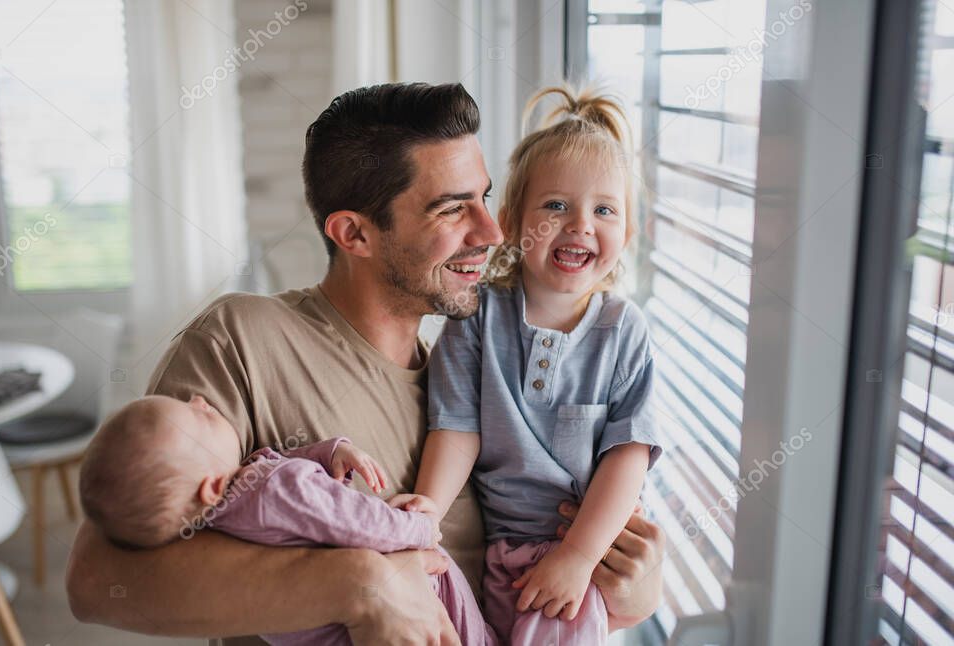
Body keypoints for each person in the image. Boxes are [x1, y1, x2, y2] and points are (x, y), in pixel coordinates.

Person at [66, 82, 666, 646]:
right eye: (453, 209)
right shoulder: (244, 340)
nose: (492, 231)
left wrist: (632, 590)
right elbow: (98, 581)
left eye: (485, 199)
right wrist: (358, 587)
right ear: (354, 233)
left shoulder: (476, 379)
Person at [394, 86, 662, 644]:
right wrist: (425, 519)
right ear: (513, 223)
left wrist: (578, 556)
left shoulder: (624, 331)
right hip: (502, 551)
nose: (581, 224)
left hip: (581, 555)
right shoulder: (476, 317)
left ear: (628, 233)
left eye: (605, 210)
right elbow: (456, 428)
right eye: (556, 205)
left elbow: (627, 455)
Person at [77, 394, 496, 645]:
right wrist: (421, 529)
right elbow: (354, 520)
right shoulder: (271, 489)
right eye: (199, 415)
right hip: (428, 599)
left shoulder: (225, 516)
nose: (201, 400)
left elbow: (285, 475)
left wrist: (327, 453)